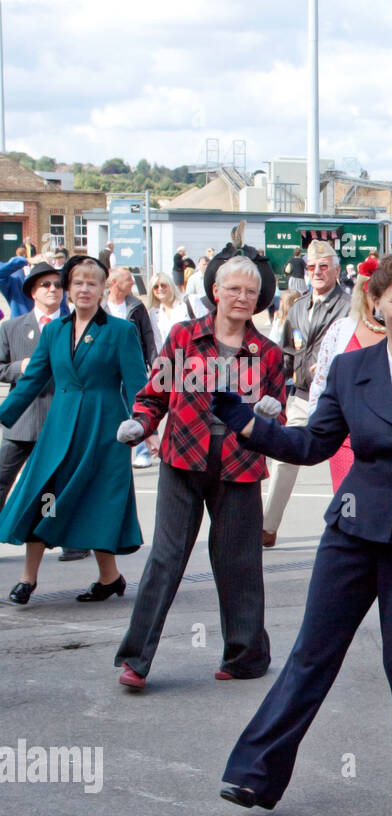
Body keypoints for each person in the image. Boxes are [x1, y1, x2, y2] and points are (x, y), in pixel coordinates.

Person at [213, 252, 392, 814]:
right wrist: (249, 425)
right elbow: (314, 444)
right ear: (376, 304)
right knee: (311, 655)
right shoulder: (349, 369)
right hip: (352, 533)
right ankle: (254, 774)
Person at [114, 248, 286, 689]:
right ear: (215, 291)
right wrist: (141, 421)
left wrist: (270, 412)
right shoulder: (183, 337)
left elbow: (277, 413)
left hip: (239, 462)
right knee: (166, 558)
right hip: (184, 457)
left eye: (251, 291)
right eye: (233, 289)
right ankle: (136, 659)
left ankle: (246, 655)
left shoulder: (266, 352)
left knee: (239, 563)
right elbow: (153, 394)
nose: (242, 297)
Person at [0, 256, 145, 604]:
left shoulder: (121, 330)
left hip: (105, 430)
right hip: (59, 429)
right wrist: (4, 414)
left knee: (94, 503)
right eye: (77, 282)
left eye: (91, 283)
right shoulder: (54, 331)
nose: (84, 289)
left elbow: (139, 384)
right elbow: (33, 378)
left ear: (102, 289)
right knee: (43, 497)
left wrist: (143, 425)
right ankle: (27, 578)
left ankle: (109, 578)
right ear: (68, 288)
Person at [262, 240, 349, 547]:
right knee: (285, 457)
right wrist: (272, 388)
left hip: (338, 400)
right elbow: (286, 354)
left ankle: (348, 526)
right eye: (312, 267)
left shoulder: (349, 306)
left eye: (324, 266)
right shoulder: (298, 307)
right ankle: (267, 527)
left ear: (336, 270)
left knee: (343, 465)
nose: (317, 272)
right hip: (300, 395)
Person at [307, 262, 387, 491]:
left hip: (389, 443)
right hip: (345, 440)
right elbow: (321, 382)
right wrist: (318, 428)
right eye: (375, 293)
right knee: (347, 512)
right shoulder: (341, 330)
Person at [0, 263, 70, 510]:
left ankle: (72, 547)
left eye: (59, 285)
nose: (53, 289)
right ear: (33, 292)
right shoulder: (11, 327)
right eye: (46, 284)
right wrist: (19, 367)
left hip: (60, 420)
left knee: (59, 487)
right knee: (1, 478)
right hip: (22, 421)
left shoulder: (75, 327)